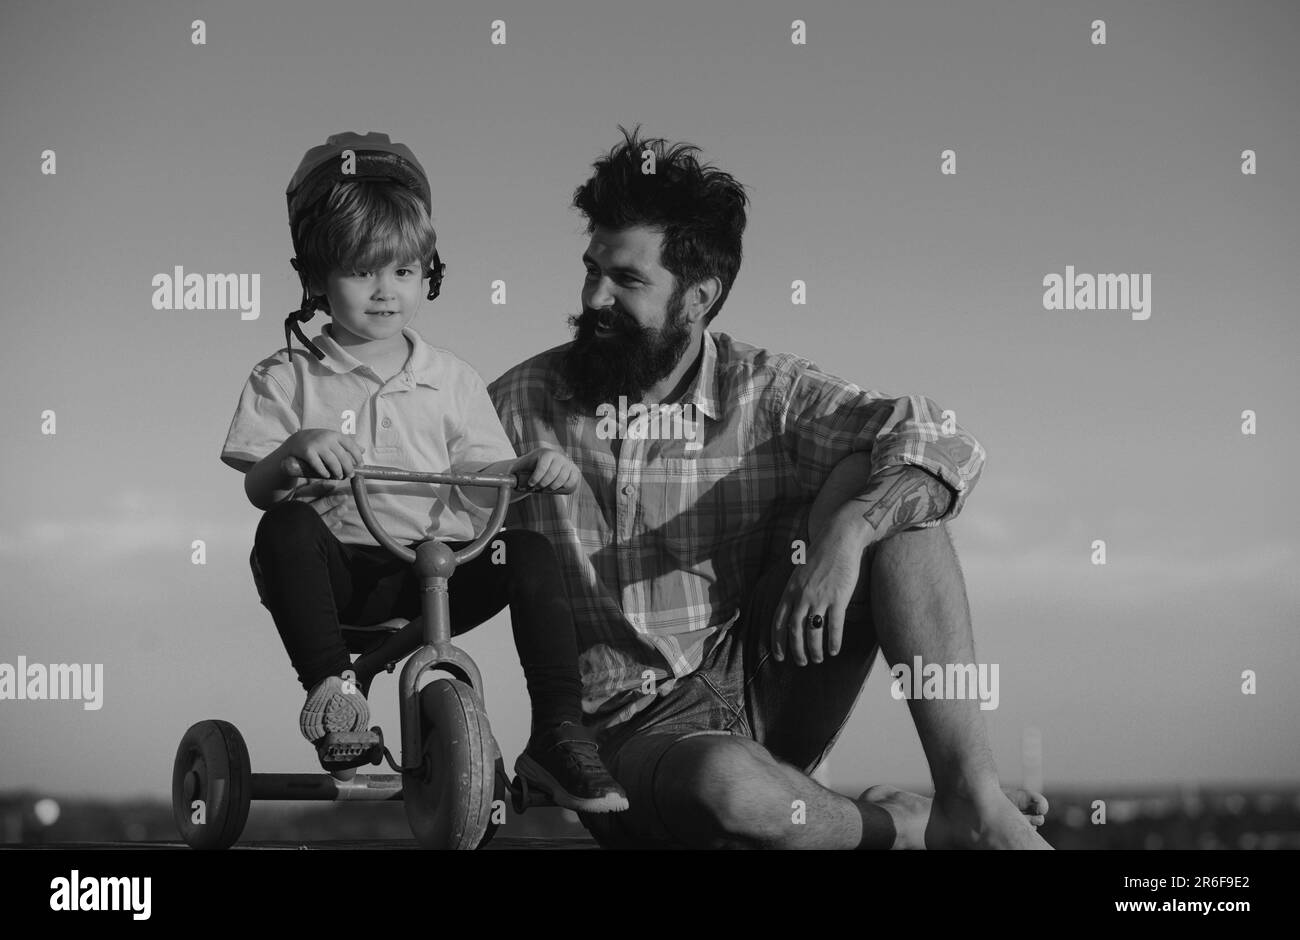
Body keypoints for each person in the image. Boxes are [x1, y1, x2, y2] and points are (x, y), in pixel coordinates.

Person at [489, 127, 1052, 848]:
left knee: (899, 502)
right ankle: (900, 827)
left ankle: (972, 803)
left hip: (763, 674)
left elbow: (941, 441)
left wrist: (848, 534)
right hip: (630, 742)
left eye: (626, 280)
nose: (594, 296)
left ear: (698, 298)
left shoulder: (767, 393)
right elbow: (423, 518)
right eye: (592, 268)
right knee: (725, 783)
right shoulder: (520, 403)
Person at [219, 132, 627, 813]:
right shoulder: (286, 376)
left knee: (526, 548)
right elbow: (257, 487)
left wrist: (522, 467)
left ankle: (560, 730)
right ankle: (336, 696)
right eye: (362, 272)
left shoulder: (452, 379)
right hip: (340, 580)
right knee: (285, 524)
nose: (386, 292)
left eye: (404, 272)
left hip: (434, 572)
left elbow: (477, 471)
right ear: (316, 280)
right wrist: (294, 452)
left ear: (428, 274)